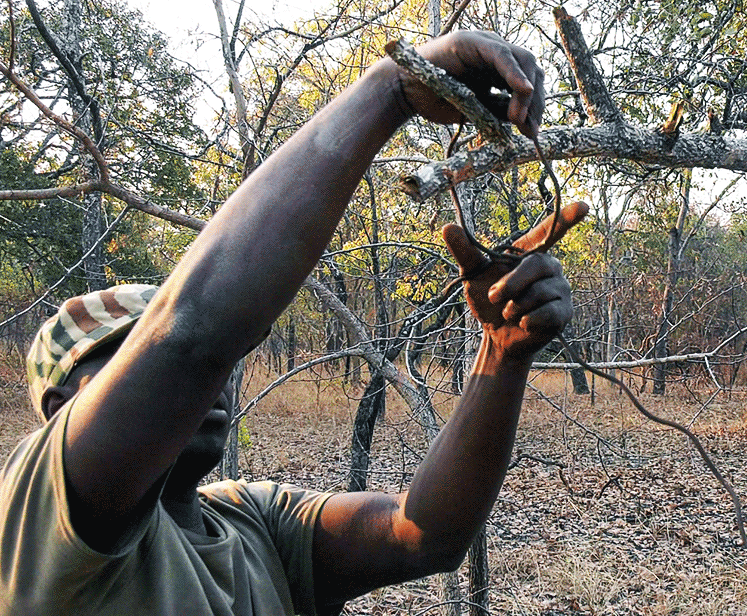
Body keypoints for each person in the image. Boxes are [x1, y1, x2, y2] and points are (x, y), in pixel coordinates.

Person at [1, 31, 588, 615]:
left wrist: (503, 351)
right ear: (59, 411)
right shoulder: (46, 523)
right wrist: (394, 89)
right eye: (128, 357)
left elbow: (423, 533)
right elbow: (193, 336)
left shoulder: (251, 521)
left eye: (147, 347)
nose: (209, 379)